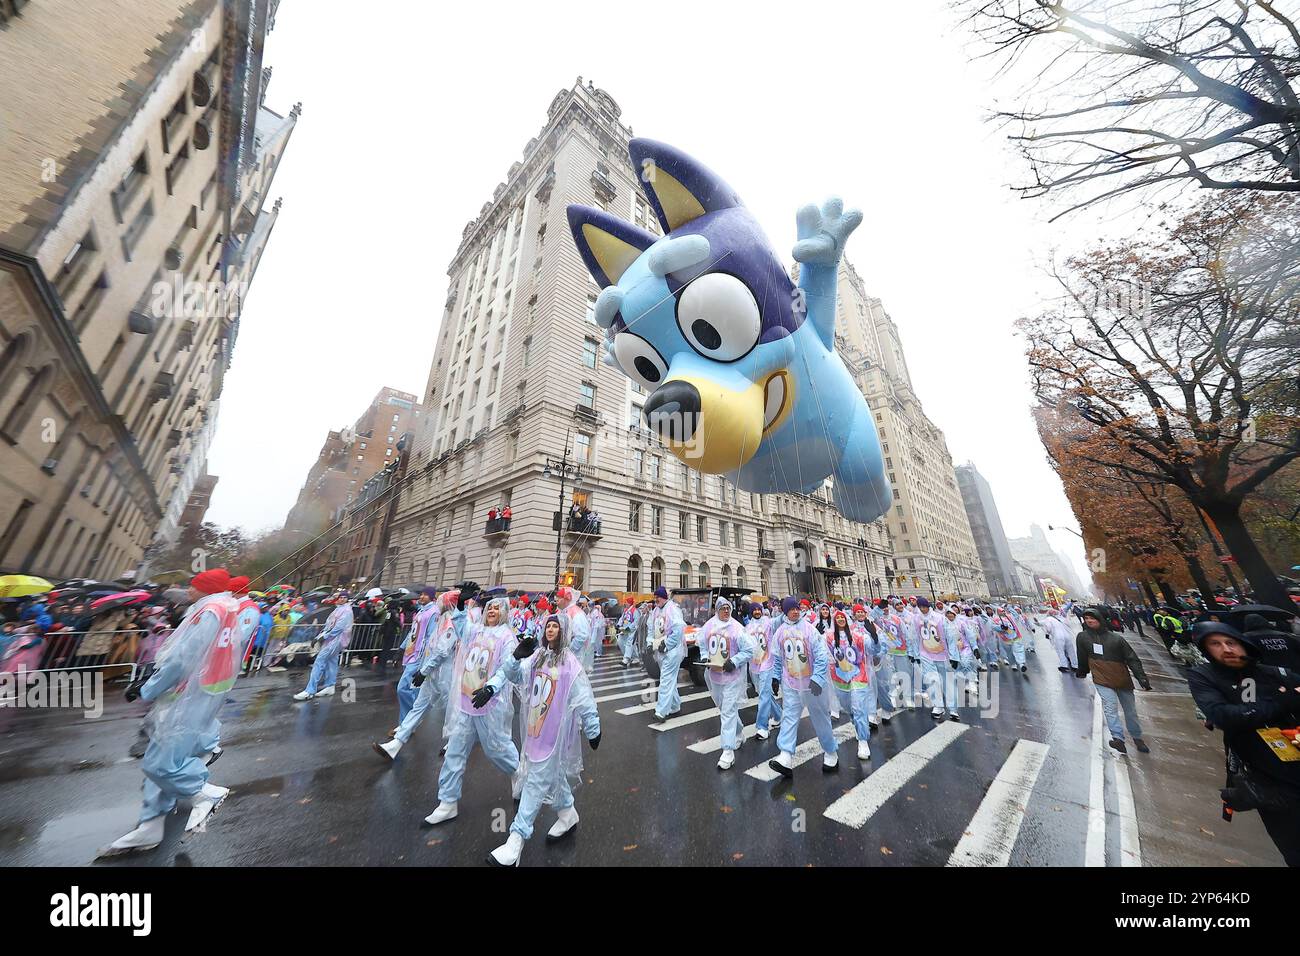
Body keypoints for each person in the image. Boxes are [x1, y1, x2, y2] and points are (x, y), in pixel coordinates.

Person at [97, 569, 240, 858]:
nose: (189, 590)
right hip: (201, 695)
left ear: (206, 589)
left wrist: (148, 687)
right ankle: (150, 824)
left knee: (159, 763)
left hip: (186, 696)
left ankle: (203, 791)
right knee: (163, 759)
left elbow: (183, 658)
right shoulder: (223, 608)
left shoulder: (210, 611)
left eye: (194, 586)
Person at [484, 613, 601, 866]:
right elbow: (516, 677)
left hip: (554, 734)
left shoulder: (569, 662)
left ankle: (515, 842)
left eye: (555, 626)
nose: (550, 629)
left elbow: (583, 696)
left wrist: (593, 727)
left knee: (535, 783)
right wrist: (515, 658)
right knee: (553, 775)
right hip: (536, 731)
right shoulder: (538, 657)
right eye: (548, 625)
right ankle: (568, 813)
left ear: (564, 631)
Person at [1186, 621, 1300, 866]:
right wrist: (1283, 701)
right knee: (1292, 844)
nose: (1226, 649)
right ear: (1206, 650)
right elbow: (1224, 715)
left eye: (1231, 642)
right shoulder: (1202, 675)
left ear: (1243, 644)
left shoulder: (1272, 672)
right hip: (1265, 777)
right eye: (1215, 644)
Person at [421, 597, 520, 826]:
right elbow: (460, 628)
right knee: (455, 751)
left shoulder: (507, 637)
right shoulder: (476, 631)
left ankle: (518, 773)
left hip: (489, 705)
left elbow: (508, 667)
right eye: (489, 608)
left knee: (497, 750)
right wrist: (461, 605)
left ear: (504, 612)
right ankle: (447, 802)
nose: (492, 611)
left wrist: (491, 688)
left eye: (497, 608)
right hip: (467, 702)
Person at [375, 587, 472, 760]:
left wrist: (423, 670)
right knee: (418, 708)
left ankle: (455, 742)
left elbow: (442, 651)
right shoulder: (442, 619)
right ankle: (396, 743)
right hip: (432, 673)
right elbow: (431, 647)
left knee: (451, 711)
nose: (438, 603)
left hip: (445, 675)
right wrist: (423, 669)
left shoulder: (451, 623)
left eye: (441, 600)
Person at [768, 595, 838, 778]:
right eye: (791, 609)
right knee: (789, 717)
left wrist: (817, 679)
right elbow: (778, 658)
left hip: (812, 685)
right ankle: (785, 755)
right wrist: (775, 678)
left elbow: (822, 655)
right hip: (791, 683)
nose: (795, 611)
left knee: (821, 718)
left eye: (797, 608)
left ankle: (831, 752)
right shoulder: (780, 632)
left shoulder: (809, 629)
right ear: (785, 611)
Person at [1074, 607, 1152, 754]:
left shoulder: (1116, 639)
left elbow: (1132, 659)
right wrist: (1082, 671)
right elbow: (1082, 656)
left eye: (1092, 618)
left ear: (1100, 620)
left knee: (1130, 710)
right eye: (1086, 619)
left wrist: (1141, 678)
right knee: (1110, 708)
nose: (1089, 621)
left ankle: (1137, 737)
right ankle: (1118, 738)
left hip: (1121, 678)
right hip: (1101, 678)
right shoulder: (1083, 637)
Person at [698, 597, 755, 770]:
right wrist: (704, 657)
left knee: (728, 711)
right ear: (717, 610)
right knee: (725, 709)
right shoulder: (709, 626)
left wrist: (735, 661)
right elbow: (702, 644)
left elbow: (750, 649)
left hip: (732, 677)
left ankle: (727, 751)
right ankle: (739, 733)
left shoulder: (737, 628)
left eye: (728, 608)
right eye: (722, 608)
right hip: (715, 676)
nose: (726, 611)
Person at [826, 607, 876, 760]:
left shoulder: (857, 636)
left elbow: (874, 649)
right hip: (840, 679)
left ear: (847, 620)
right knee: (849, 708)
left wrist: (874, 636)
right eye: (838, 618)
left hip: (858, 677)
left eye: (843, 618)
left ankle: (863, 741)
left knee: (858, 707)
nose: (840, 620)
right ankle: (857, 723)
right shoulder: (828, 637)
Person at [293, 593, 354, 700]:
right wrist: (318, 637)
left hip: (336, 640)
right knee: (332, 662)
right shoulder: (337, 610)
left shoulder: (347, 611)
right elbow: (328, 625)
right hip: (331, 640)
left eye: (344, 598)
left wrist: (324, 636)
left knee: (319, 662)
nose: (342, 599)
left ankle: (310, 690)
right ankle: (330, 686)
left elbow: (338, 627)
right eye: (340, 597)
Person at [646, 585, 685, 722]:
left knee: (666, 680)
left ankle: (661, 712)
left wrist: (667, 644)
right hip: (660, 652)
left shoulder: (673, 609)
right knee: (669, 679)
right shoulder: (655, 611)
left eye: (658, 597)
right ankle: (675, 705)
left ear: (664, 597)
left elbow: (678, 630)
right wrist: (650, 644)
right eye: (655, 597)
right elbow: (651, 629)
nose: (656, 599)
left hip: (672, 651)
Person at [912, 597, 953, 719]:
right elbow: (913, 637)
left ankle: (952, 706)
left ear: (928, 606)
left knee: (944, 679)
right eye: (920, 607)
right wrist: (914, 653)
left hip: (941, 652)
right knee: (931, 678)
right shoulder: (916, 619)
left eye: (924, 606)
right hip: (925, 652)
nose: (922, 609)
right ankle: (938, 706)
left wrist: (953, 655)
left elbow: (950, 635)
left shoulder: (939, 618)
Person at [745, 601, 781, 740]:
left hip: (767, 663)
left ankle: (762, 727)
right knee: (763, 693)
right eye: (754, 610)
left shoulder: (768, 622)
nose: (757, 612)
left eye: (759, 609)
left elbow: (780, 620)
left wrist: (786, 606)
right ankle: (778, 716)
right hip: (754, 665)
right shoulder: (747, 627)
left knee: (764, 695)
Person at [556, 586, 593, 671]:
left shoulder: (576, 613)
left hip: (575, 657)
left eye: (559, 597)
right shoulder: (563, 611)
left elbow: (582, 635)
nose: (556, 599)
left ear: (566, 599)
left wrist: (569, 650)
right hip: (564, 655)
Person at [1042, 605, 1079, 672]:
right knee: (1071, 651)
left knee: (1060, 651)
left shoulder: (1048, 619)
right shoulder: (1061, 618)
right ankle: (1075, 665)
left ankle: (1064, 665)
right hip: (1067, 635)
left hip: (1058, 637)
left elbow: (1048, 627)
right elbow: (1069, 624)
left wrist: (1047, 634)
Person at [616, 598, 639, 667]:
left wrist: (628, 629)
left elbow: (636, 622)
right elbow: (622, 618)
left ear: (629, 603)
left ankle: (626, 659)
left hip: (631, 630)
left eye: (626, 602)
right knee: (620, 641)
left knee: (629, 643)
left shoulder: (635, 611)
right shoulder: (625, 610)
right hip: (624, 629)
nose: (625, 604)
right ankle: (634, 657)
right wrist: (618, 624)